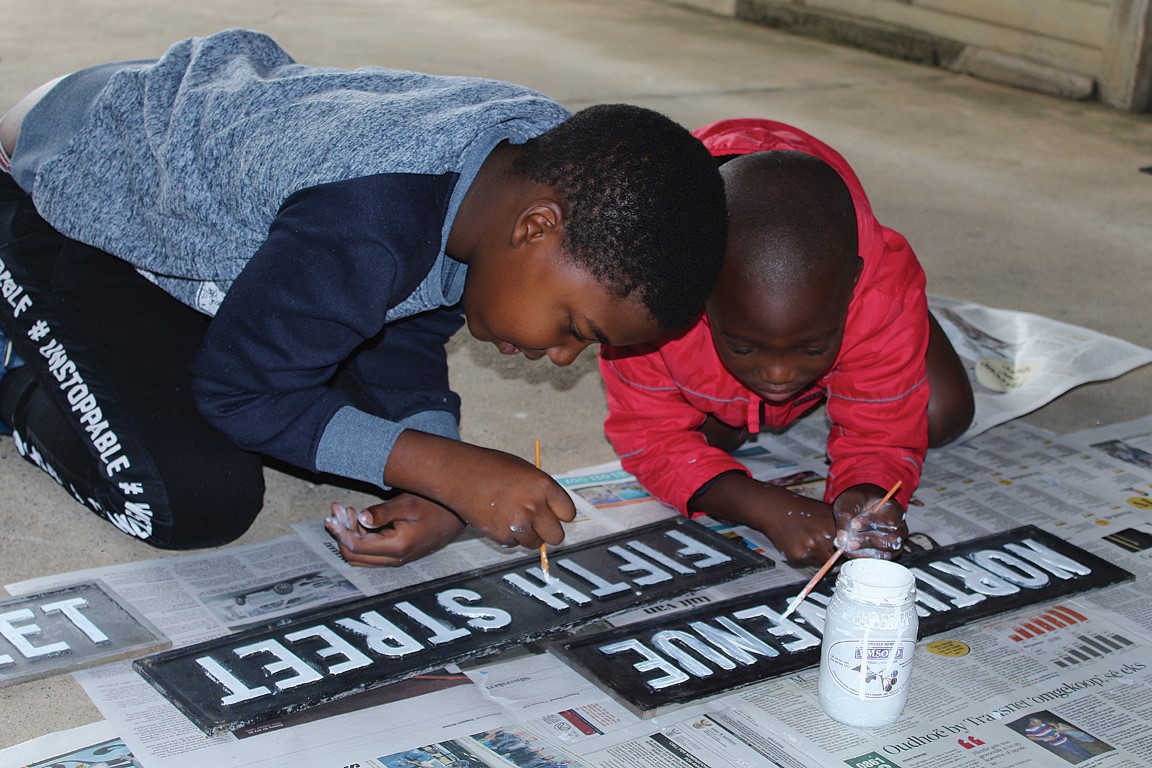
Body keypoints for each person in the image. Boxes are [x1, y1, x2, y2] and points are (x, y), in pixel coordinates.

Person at [0, 29, 727, 565]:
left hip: (218, 207)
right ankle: (18, 370)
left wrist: (441, 469)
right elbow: (241, 393)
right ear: (536, 227)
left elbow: (404, 321)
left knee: (353, 420)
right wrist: (445, 469)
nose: (563, 356)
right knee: (192, 497)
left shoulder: (519, 176)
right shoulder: (367, 222)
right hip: (73, 193)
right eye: (575, 327)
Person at [600, 118, 973, 566]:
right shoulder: (653, 297)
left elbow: (883, 436)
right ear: (701, 295)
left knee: (942, 414)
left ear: (851, 284)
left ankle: (906, 320)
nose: (779, 375)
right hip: (733, 297)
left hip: (864, 303)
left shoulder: (875, 293)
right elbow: (648, 436)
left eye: (812, 347)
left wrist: (866, 490)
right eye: (743, 345)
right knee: (708, 440)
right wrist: (766, 507)